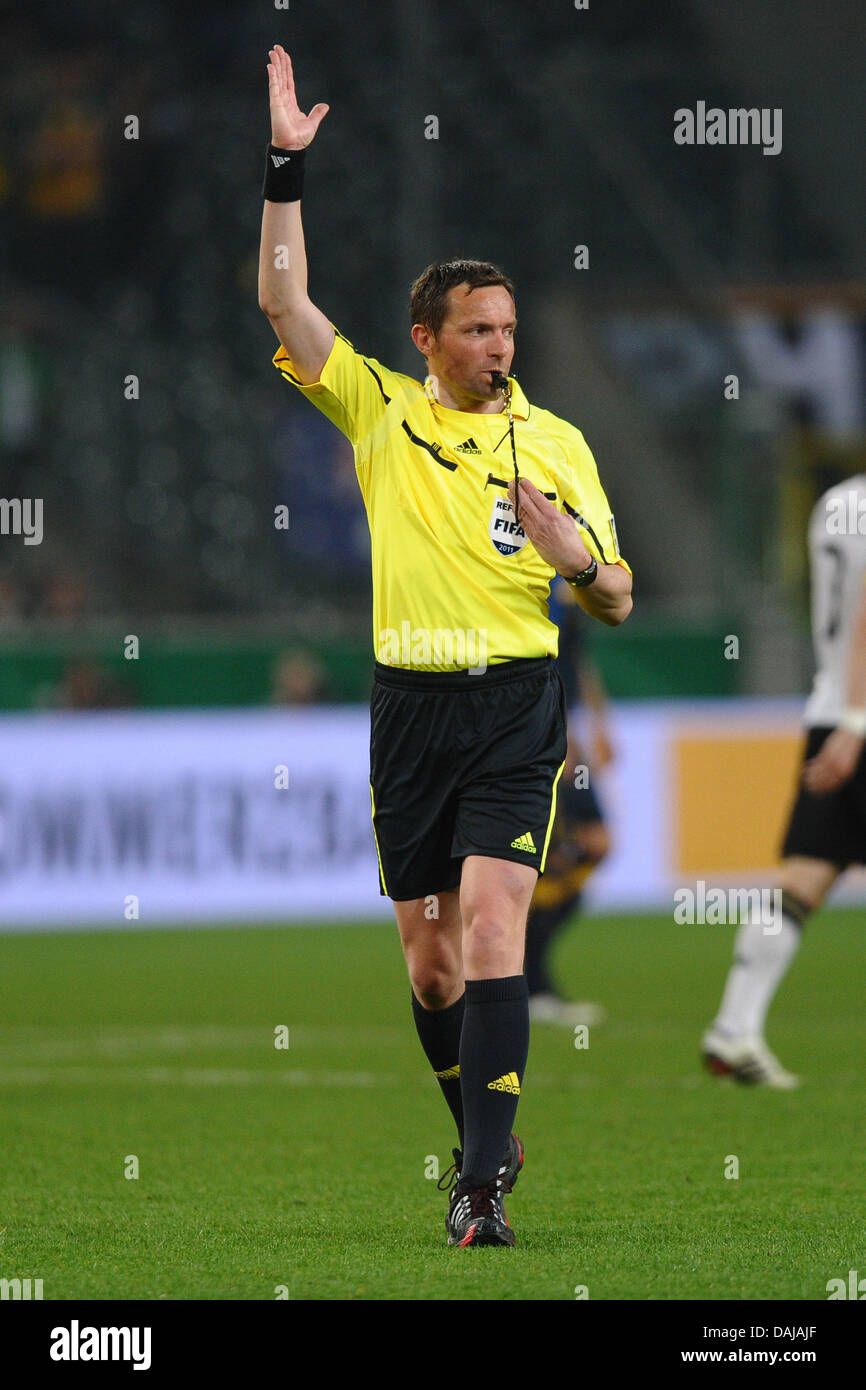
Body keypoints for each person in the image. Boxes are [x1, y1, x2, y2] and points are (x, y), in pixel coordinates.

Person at [257, 46, 633, 1246]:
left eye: (508, 328)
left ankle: (477, 1185)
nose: (498, 347)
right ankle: (483, 1121)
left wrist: (574, 557)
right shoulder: (379, 412)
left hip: (516, 708)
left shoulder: (558, 446)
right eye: (475, 331)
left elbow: (618, 594)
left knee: (489, 930)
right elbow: (280, 304)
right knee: (429, 971)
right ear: (427, 340)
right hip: (405, 710)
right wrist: (283, 168)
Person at [702, 474, 866, 1089]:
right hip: (856, 713)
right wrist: (858, 722)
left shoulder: (838, 500)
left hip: (832, 706)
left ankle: (734, 1027)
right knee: (806, 876)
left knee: (807, 875)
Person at [526, 577, 613, 1026]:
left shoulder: (573, 567)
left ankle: (528, 976)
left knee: (593, 844)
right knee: (549, 855)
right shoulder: (521, 568)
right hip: (539, 737)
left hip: (567, 734)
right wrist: (555, 735)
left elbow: (577, 660)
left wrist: (599, 722)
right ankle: (532, 983)